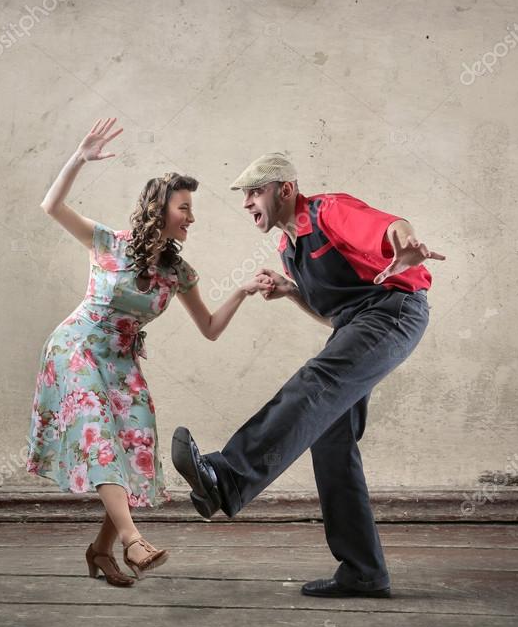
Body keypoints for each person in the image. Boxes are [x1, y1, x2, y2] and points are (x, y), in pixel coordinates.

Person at [171, 151, 445, 598]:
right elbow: (333, 315)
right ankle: (363, 572)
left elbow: (387, 225)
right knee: (331, 436)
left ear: (285, 190)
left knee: (316, 383)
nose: (246, 203)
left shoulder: (327, 210)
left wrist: (407, 243)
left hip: (394, 312)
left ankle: (228, 476)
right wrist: (292, 293)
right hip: (358, 326)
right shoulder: (286, 248)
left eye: (254, 192)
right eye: (243, 196)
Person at [26, 119, 265, 587]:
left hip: (119, 362)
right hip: (76, 348)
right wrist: (79, 158)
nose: (191, 217)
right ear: (161, 208)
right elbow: (51, 205)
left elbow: (211, 328)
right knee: (97, 433)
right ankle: (134, 541)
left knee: (136, 445)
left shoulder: (178, 274)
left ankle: (100, 550)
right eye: (185, 207)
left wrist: (242, 291)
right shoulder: (107, 243)